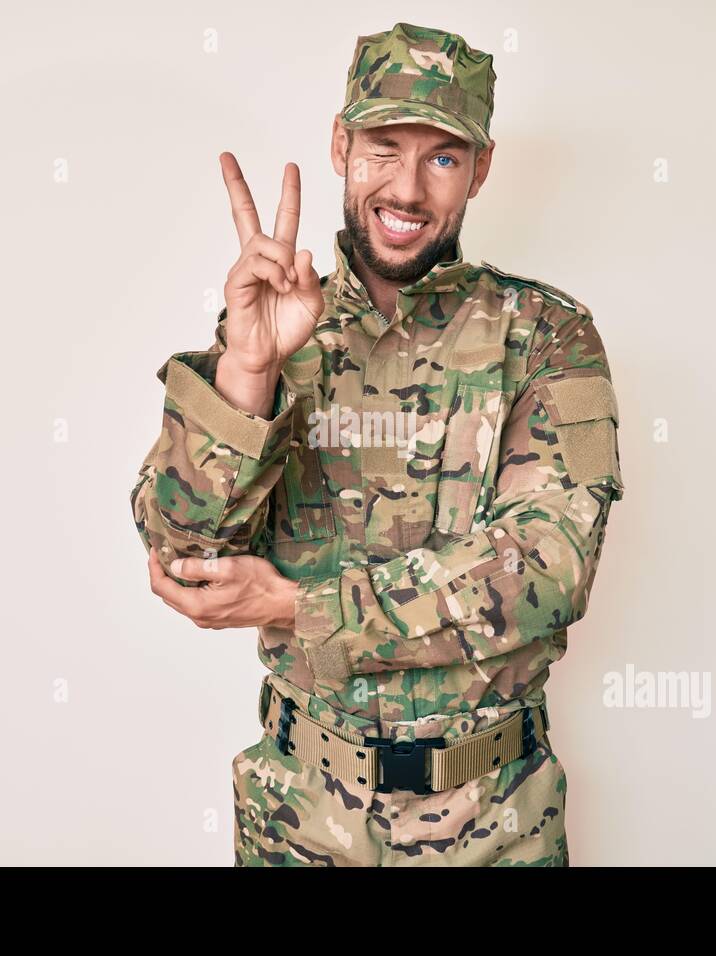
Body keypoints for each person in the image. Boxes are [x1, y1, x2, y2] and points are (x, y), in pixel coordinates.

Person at [130, 21, 625, 866]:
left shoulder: (545, 335)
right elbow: (184, 557)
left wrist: (302, 607)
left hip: (493, 827)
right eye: (383, 148)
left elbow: (546, 570)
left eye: (442, 157)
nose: (407, 188)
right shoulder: (277, 336)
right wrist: (248, 371)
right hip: (300, 821)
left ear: (481, 169)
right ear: (339, 144)